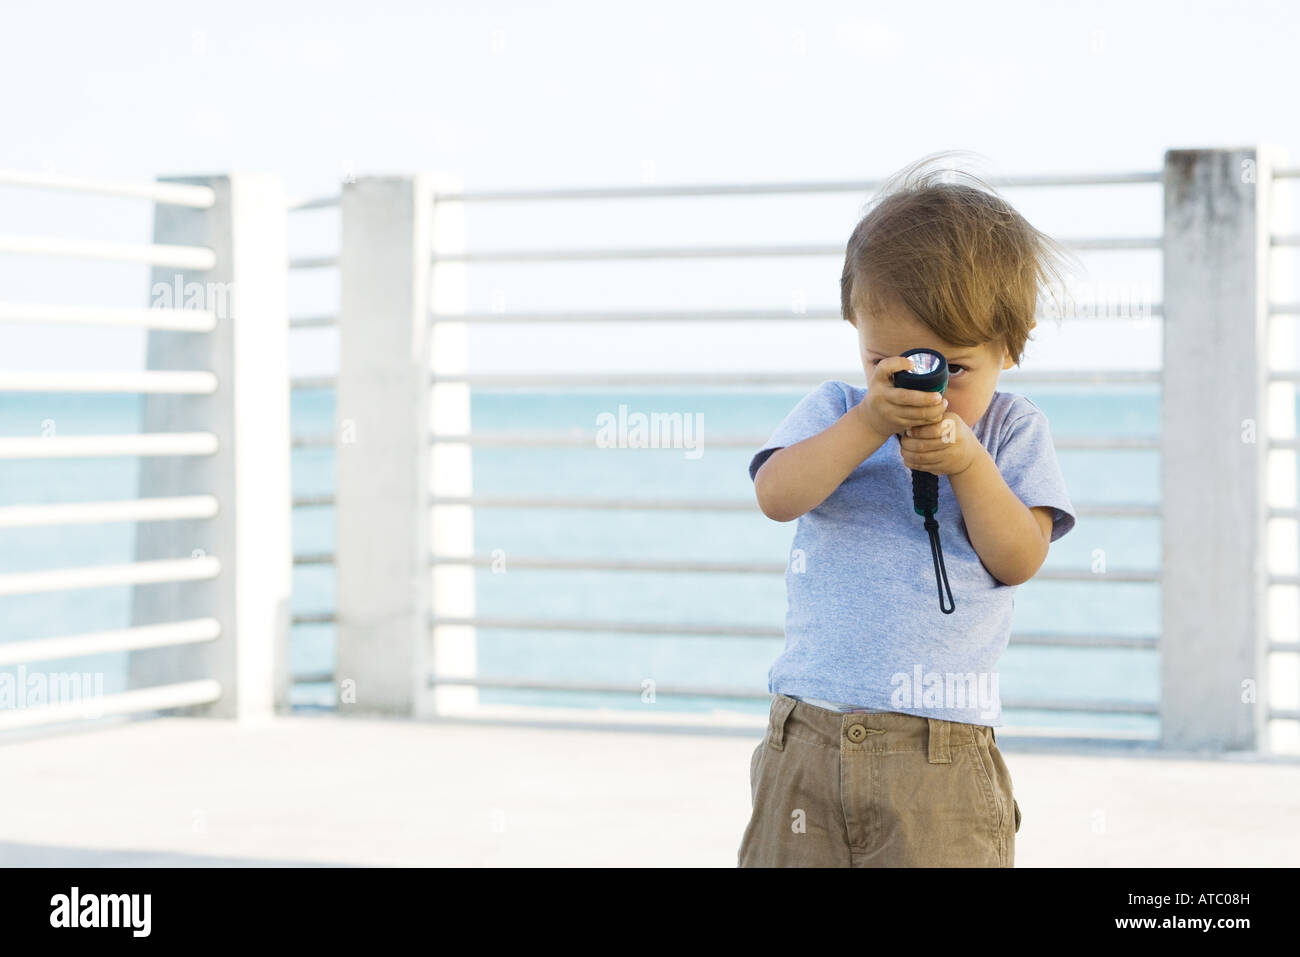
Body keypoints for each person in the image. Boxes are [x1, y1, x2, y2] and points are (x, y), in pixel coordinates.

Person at [738, 152, 1079, 867]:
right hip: (807, 739)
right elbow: (776, 495)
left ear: (1009, 348)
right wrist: (866, 421)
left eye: (951, 368)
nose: (923, 388)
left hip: (940, 756)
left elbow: (1019, 557)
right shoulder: (836, 411)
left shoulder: (1012, 432)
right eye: (888, 362)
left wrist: (968, 465)